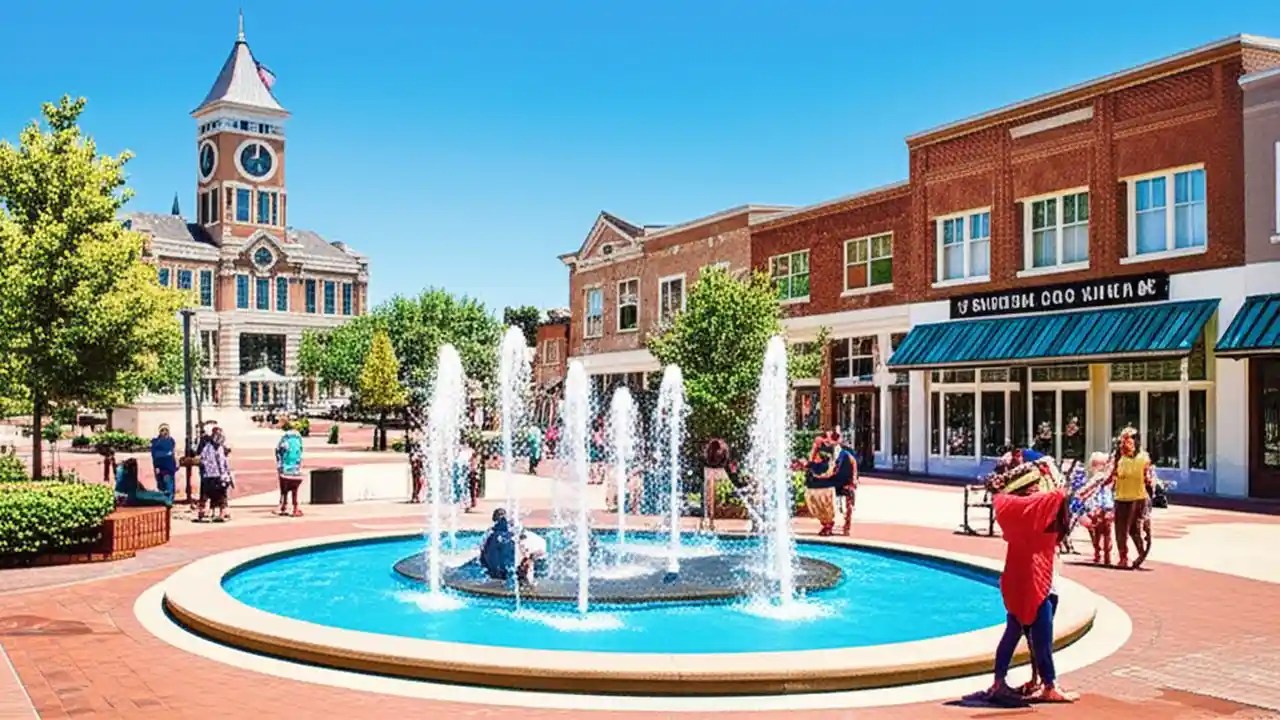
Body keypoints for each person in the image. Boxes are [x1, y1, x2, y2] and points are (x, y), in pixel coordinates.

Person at [965, 459, 1077, 705]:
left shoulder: (1012, 510)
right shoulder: (1043, 511)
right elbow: (1061, 500)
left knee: (1013, 632)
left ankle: (999, 682)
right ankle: (1049, 685)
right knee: (1042, 638)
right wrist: (1050, 472)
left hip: (1016, 576)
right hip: (1039, 578)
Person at [1105, 427, 1153, 570]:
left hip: (1139, 498)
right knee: (1121, 531)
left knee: (1135, 530)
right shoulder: (1118, 457)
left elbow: (1148, 476)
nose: (1125, 441)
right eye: (1123, 438)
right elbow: (1112, 474)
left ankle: (1141, 553)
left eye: (1129, 438)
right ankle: (1123, 557)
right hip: (1122, 498)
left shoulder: (1144, 457)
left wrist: (1151, 486)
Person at [198, 426, 232, 522]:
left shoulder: (212, 447)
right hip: (214, 475)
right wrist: (224, 475)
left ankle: (214, 512)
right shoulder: (212, 447)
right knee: (217, 494)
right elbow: (221, 463)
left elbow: (221, 462)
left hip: (210, 475)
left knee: (212, 494)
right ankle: (211, 512)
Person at [276, 422, 305, 517]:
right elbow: (300, 453)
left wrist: (279, 463)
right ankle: (295, 508)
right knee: (295, 490)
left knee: (284, 489)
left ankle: (283, 506)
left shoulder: (284, 439)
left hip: (285, 470)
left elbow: (278, 450)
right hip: (296, 471)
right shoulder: (298, 439)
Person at [479, 508, 517, 580]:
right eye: (500, 516)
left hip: (494, 567)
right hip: (502, 565)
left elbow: (482, 549)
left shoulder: (491, 533)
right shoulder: (509, 532)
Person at [702, 438, 730, 532]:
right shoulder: (722, 452)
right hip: (716, 472)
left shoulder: (710, 454)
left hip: (710, 472)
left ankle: (710, 520)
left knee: (709, 496)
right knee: (710, 496)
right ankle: (711, 520)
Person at [149, 424, 178, 504]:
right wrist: (156, 466)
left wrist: (176, 462)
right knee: (160, 484)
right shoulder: (155, 442)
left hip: (168, 467)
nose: (164, 432)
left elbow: (173, 452)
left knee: (169, 483)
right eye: (162, 430)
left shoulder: (171, 440)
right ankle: (163, 500)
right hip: (159, 466)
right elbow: (154, 455)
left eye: (166, 430)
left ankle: (169, 500)